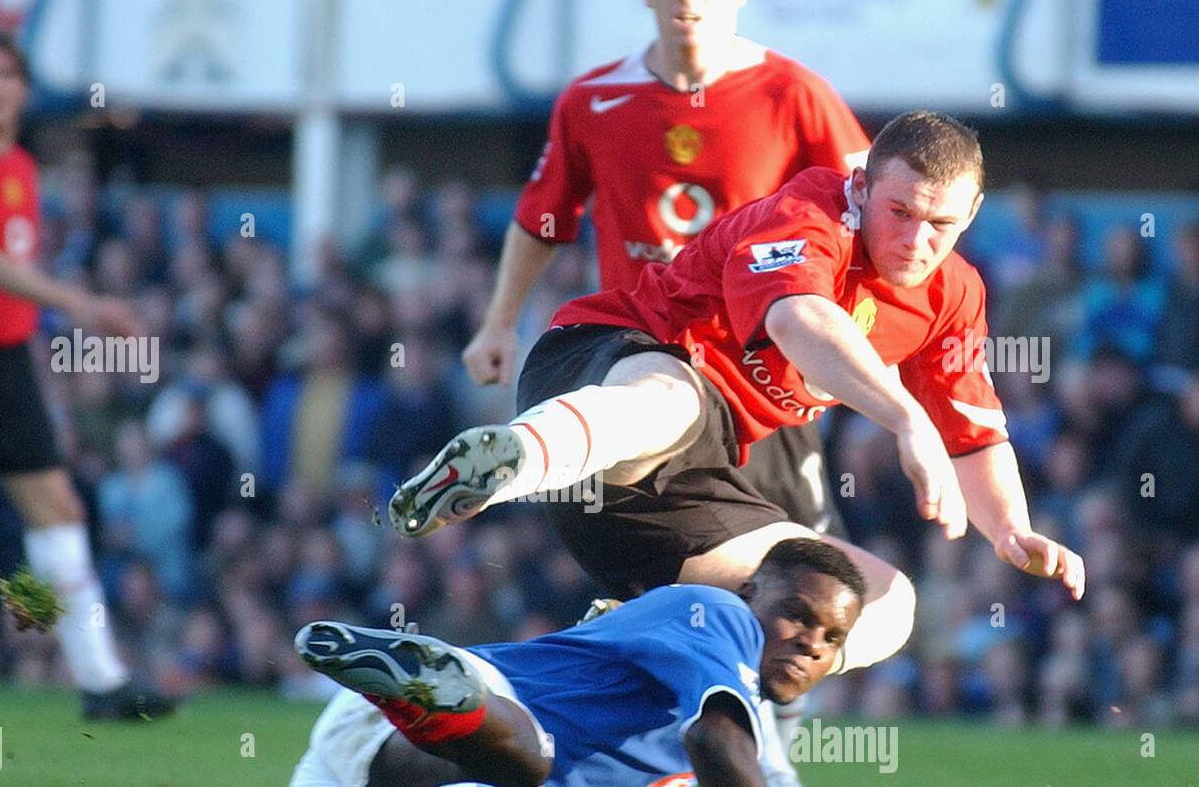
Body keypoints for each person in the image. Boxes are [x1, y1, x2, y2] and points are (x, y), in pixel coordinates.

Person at [391, 111, 1085, 643]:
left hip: (676, 489)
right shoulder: (814, 208)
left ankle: (609, 653)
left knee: (870, 600)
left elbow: (973, 430)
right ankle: (511, 460)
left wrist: (1011, 531)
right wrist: (904, 417)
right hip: (599, 369)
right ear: (861, 185)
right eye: (898, 211)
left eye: (940, 224)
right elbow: (797, 321)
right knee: (673, 400)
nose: (915, 239)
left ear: (971, 218)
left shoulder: (956, 294)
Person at [78, 538, 865, 787]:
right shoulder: (719, 618)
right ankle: (413, 682)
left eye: (831, 638)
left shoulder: (721, 705)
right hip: (462, 720)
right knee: (527, 768)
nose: (807, 641)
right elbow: (717, 747)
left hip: (373, 780)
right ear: (754, 590)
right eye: (795, 613)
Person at [464, 0, 868, 537]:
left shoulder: (793, 93)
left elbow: (863, 214)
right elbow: (543, 218)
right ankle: (522, 466)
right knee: (655, 551)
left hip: (754, 370)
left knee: (809, 564)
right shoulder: (592, 100)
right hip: (640, 354)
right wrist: (499, 323)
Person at [0, 29, 174, 720]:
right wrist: (81, 304)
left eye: (4, 74)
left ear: (23, 89)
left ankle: (102, 681)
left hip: (5, 364)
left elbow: (2, 273)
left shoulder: (20, 165)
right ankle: (102, 679)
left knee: (59, 509)